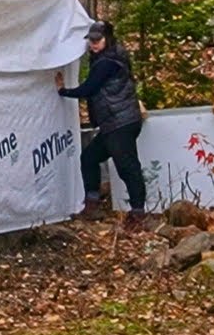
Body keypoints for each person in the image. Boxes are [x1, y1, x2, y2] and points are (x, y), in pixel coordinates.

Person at [55, 20, 149, 230]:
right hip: (115, 123)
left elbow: (89, 88)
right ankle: (93, 204)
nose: (93, 44)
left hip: (120, 122)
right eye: (91, 40)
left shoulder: (108, 62)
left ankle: (138, 214)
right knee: (89, 158)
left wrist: (63, 91)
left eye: (97, 40)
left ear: (108, 39)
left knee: (127, 167)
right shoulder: (110, 56)